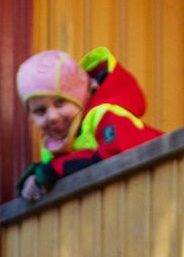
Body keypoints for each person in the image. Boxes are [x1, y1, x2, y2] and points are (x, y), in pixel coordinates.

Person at [15, 45, 154, 202]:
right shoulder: (53, 147)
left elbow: (115, 155)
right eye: (40, 111)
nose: (52, 117)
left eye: (60, 103)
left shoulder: (106, 115)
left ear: (81, 98)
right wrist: (37, 178)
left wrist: (53, 170)